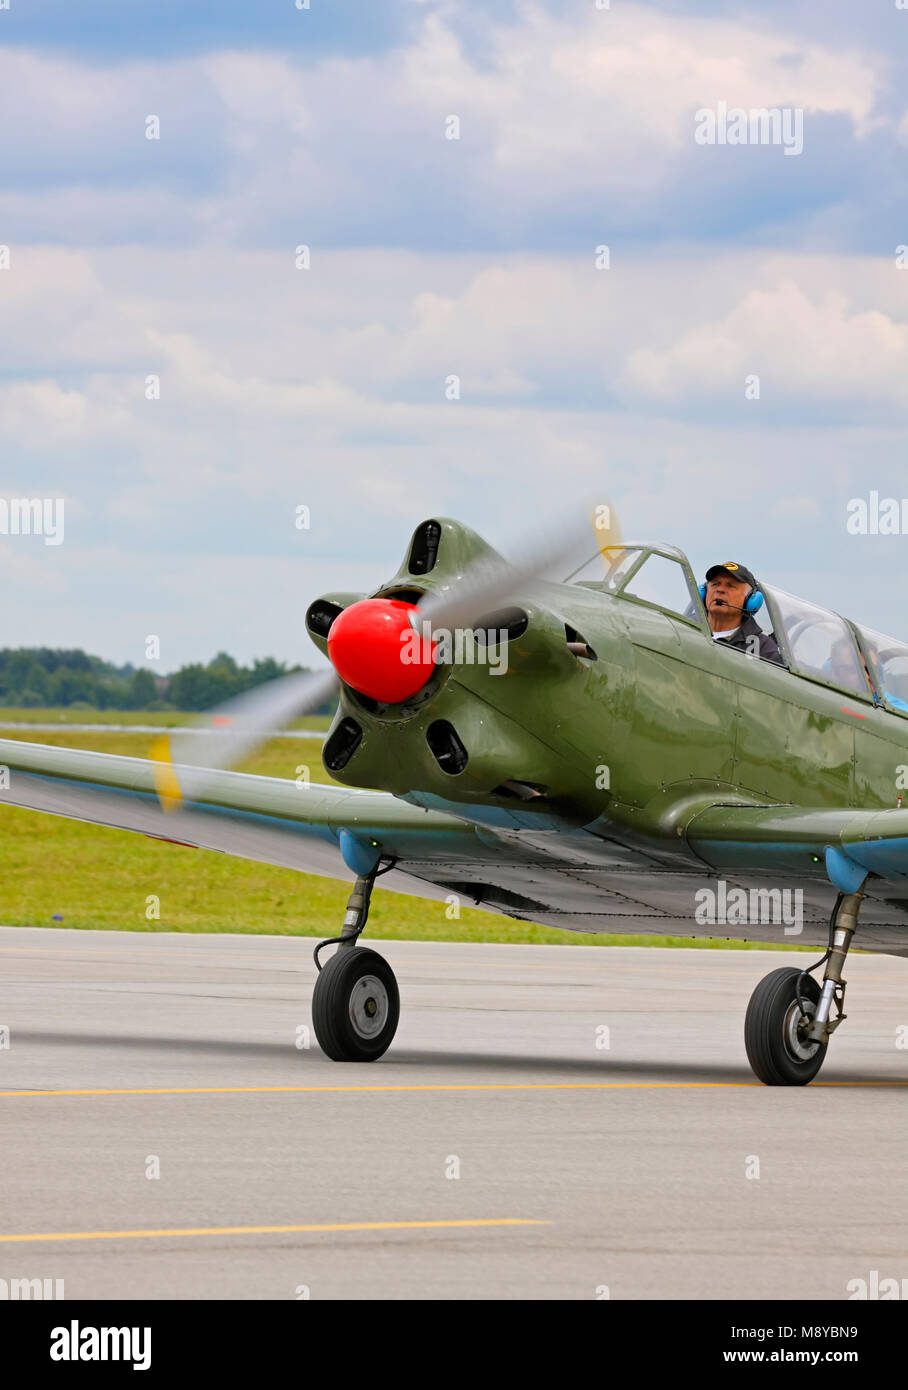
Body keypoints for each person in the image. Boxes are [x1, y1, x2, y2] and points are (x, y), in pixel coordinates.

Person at [703, 562, 784, 665]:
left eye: (730, 586)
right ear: (704, 592)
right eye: (715, 584)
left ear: (750, 599)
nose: (720, 590)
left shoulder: (762, 648)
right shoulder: (686, 628)